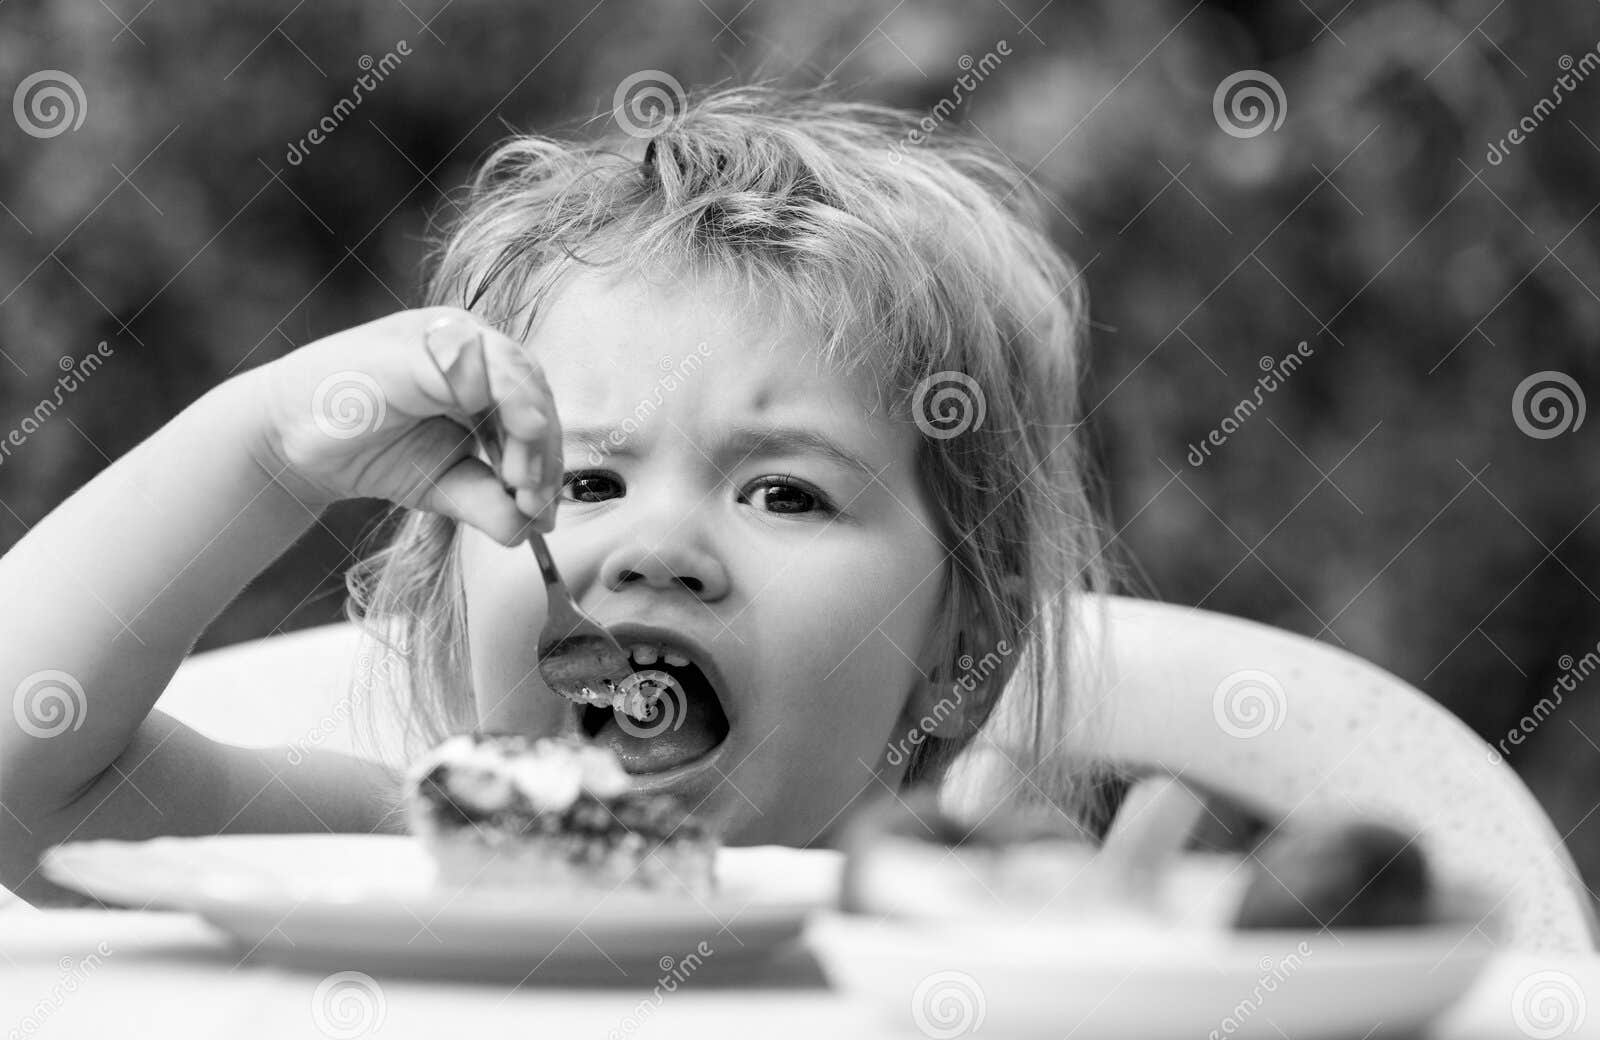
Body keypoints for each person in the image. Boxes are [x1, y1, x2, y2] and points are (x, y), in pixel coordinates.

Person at [0, 87, 1110, 904]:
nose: (657, 544)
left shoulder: (991, 929)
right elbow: (23, 788)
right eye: (582, 479)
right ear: (445, 594)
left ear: (966, 644)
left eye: (782, 492)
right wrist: (267, 449)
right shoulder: (408, 857)